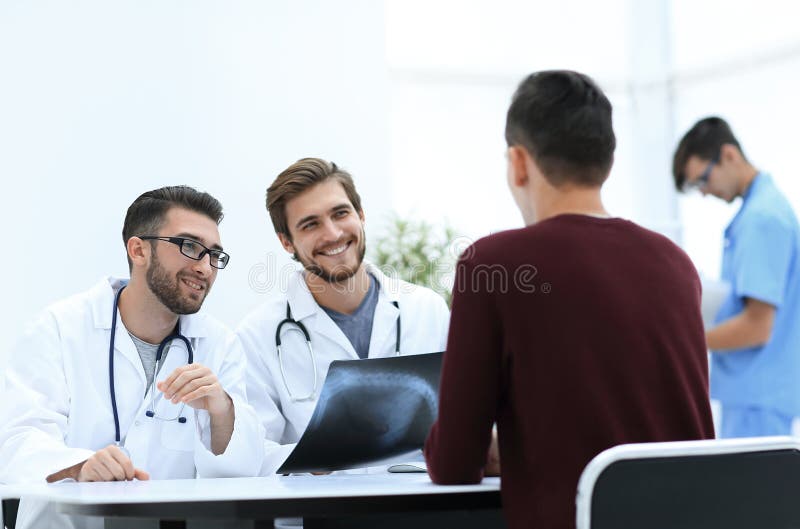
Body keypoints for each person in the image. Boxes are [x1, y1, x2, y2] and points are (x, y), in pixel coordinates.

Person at [424, 70, 715, 529]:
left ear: (519, 163)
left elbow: (455, 462)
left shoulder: (493, 264)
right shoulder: (676, 264)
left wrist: (495, 447)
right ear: (608, 161)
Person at [0, 186, 265, 529]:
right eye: (189, 246)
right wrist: (79, 466)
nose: (205, 267)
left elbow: (242, 473)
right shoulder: (58, 329)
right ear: (138, 250)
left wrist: (222, 410)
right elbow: (17, 441)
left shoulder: (219, 344)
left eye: (214, 254)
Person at [237, 158, 450, 472]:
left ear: (361, 215)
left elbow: (464, 415)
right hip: (323, 501)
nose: (333, 233)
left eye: (340, 213)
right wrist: (320, 459)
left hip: (421, 497)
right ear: (286, 242)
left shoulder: (427, 309)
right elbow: (258, 450)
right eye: (310, 224)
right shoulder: (257, 336)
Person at [673, 116, 800, 438]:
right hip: (757, 393)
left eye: (703, 179)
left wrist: (683, 341)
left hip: (757, 397)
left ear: (729, 155)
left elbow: (757, 326)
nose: (704, 192)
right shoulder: (761, 209)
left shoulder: (762, 218)